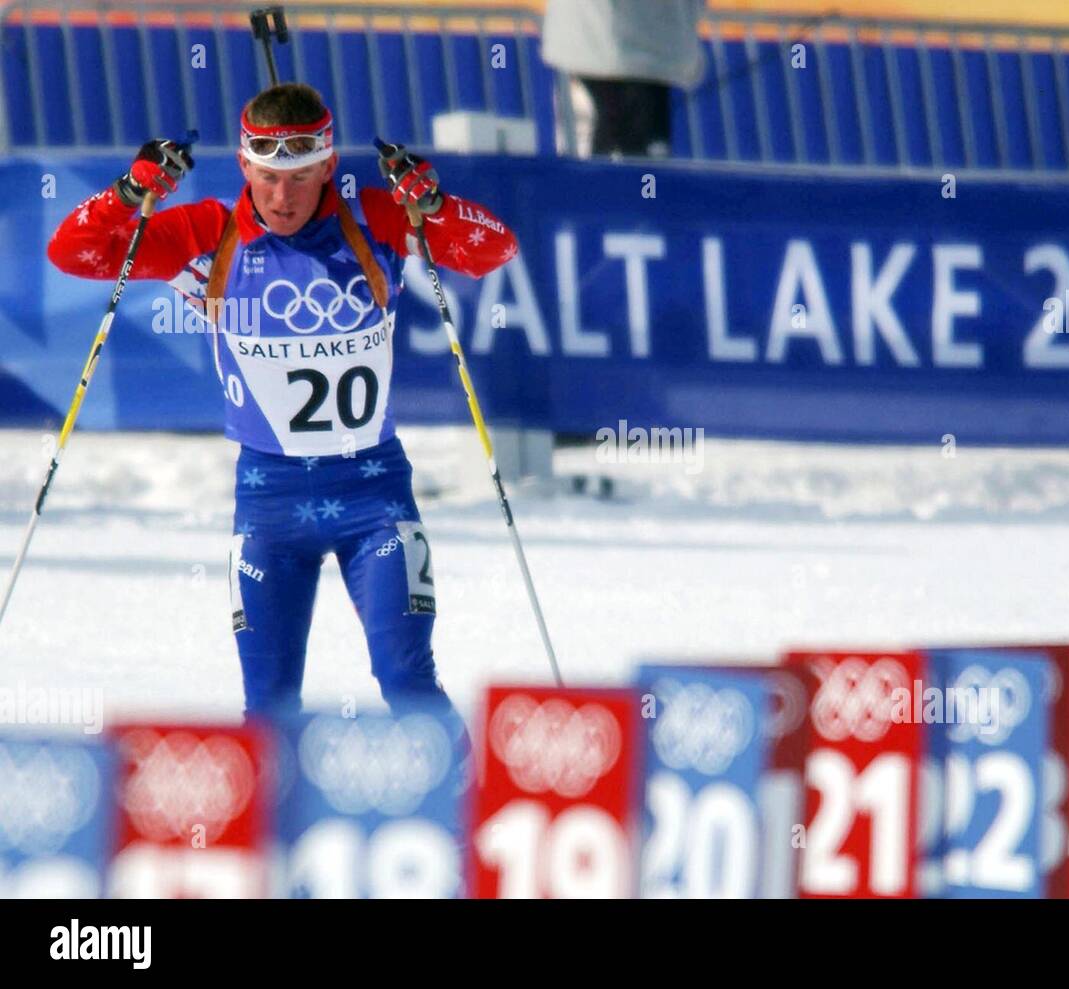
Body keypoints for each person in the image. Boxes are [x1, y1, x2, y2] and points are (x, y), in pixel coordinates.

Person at [46, 82, 518, 723]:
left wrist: (433, 204)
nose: (281, 197)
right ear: (244, 165)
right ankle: (270, 826)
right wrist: (128, 195)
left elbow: (493, 250)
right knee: (268, 706)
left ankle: (469, 820)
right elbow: (72, 252)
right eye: (267, 177)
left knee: (405, 676)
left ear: (328, 165)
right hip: (268, 506)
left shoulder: (373, 219)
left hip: (374, 496)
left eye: (298, 178)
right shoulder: (208, 232)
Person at [542, 0, 705, 158]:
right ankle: (630, 180)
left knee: (629, 139)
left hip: (630, 47)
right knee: (633, 142)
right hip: (618, 46)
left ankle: (624, 179)